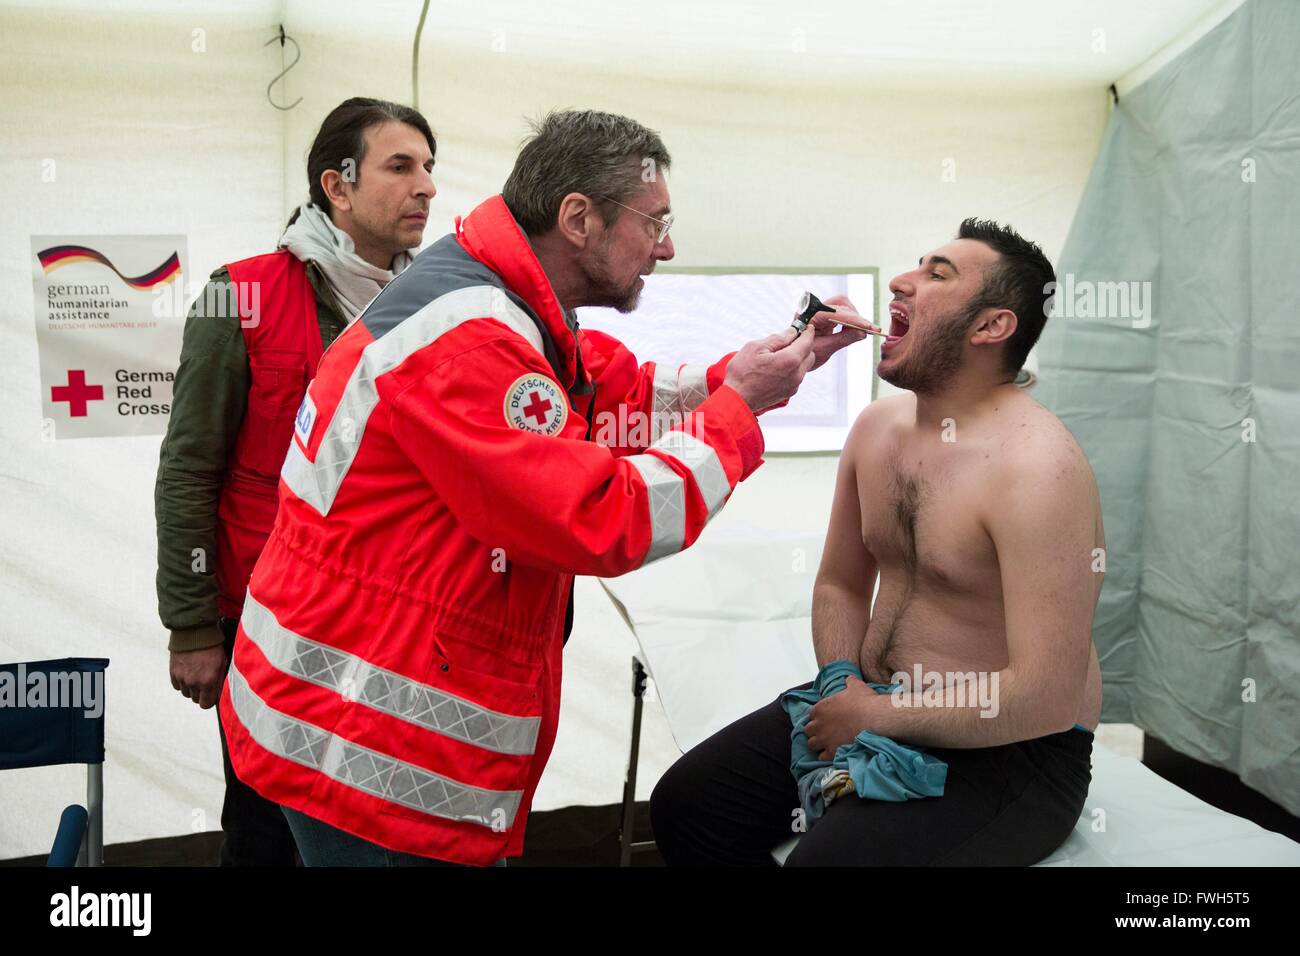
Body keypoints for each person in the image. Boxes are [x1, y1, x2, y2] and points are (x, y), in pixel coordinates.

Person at [217, 108, 868, 867]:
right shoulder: (470, 340)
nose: (668, 247)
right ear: (579, 219)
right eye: (655, 222)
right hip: (372, 761)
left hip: (349, 722)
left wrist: (749, 374)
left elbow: (599, 396)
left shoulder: (498, 294)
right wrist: (739, 410)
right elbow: (603, 518)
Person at [650, 219, 1105, 866]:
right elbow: (840, 582)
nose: (902, 280)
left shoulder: (1039, 469)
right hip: (868, 697)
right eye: (918, 264)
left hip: (1008, 747)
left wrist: (876, 719)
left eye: (938, 274)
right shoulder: (877, 428)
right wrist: (841, 685)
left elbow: (1046, 697)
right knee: (688, 806)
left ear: (990, 327)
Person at [156, 97, 437, 866]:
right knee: (269, 836)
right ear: (336, 186)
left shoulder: (445, 306)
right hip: (269, 632)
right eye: (401, 166)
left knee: (379, 835)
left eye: (430, 168)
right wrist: (191, 625)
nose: (427, 187)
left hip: (399, 638)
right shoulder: (236, 294)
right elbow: (189, 470)